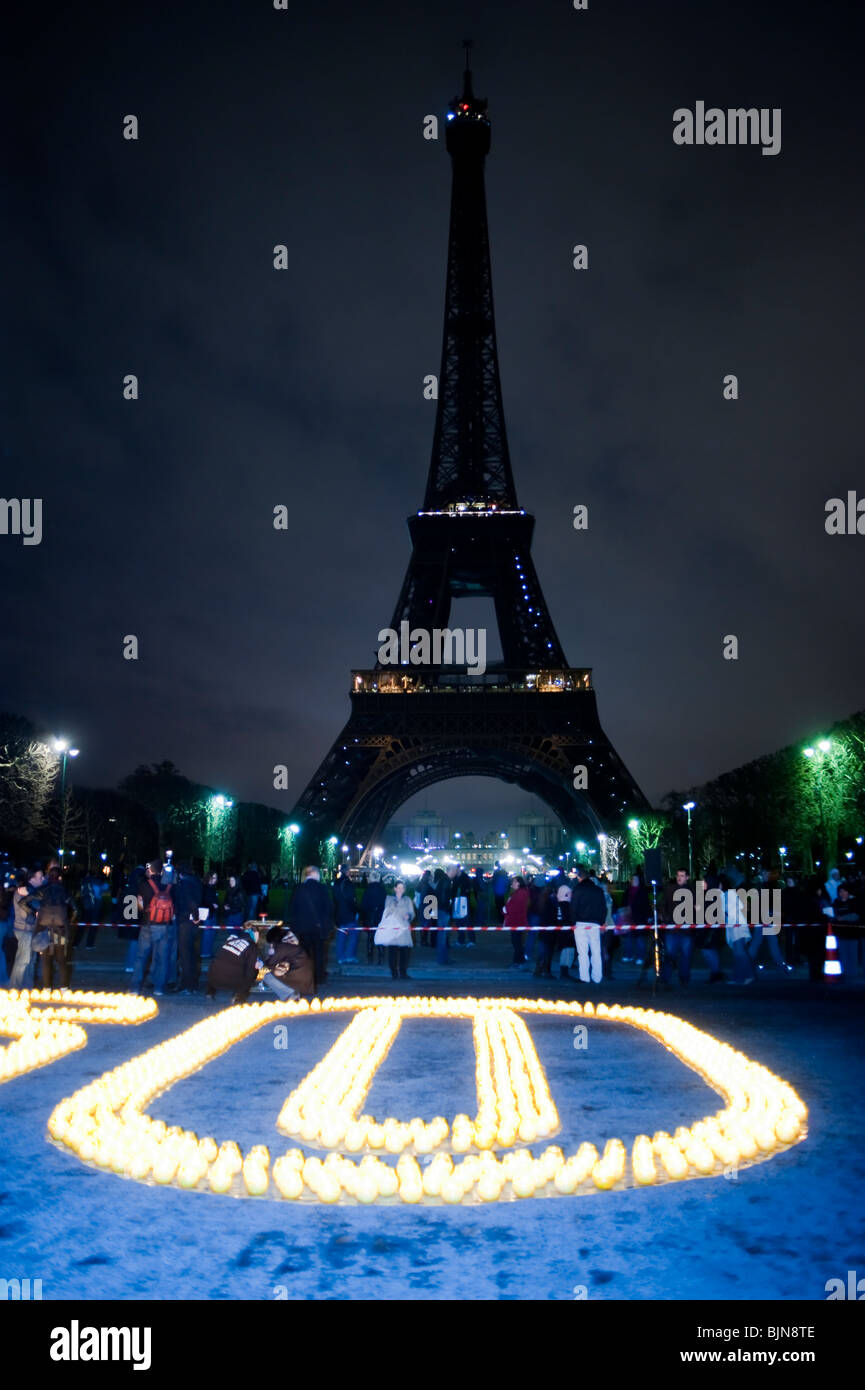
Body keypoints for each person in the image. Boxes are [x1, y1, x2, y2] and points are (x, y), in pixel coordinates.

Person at [130, 861, 174, 996]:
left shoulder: (144, 884)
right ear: (162, 871)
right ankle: (159, 988)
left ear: (151, 870)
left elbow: (139, 904)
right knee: (162, 958)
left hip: (148, 924)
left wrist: (146, 911)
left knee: (141, 957)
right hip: (165, 926)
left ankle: (135, 988)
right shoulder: (169, 885)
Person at [288, 866, 334, 990]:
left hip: (302, 928)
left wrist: (293, 927)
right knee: (319, 953)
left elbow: (292, 909)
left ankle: (305, 976)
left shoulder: (298, 889)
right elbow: (328, 908)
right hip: (318, 927)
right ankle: (319, 977)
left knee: (304, 954)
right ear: (314, 874)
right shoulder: (322, 888)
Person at [36, 866, 75, 990]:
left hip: (44, 930)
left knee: (46, 960)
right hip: (60, 929)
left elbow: (23, 902)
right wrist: (68, 921)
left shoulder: (42, 890)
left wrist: (35, 912)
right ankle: (63, 988)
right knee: (62, 960)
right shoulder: (64, 891)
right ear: (59, 877)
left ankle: (47, 988)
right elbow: (76, 910)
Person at [205, 923, 262, 1004]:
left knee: (219, 964)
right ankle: (239, 997)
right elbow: (250, 970)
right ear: (254, 934)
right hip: (231, 980)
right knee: (253, 969)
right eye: (258, 935)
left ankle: (210, 992)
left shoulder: (231, 938)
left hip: (213, 976)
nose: (258, 938)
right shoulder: (252, 946)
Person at [570, 864, 606, 985]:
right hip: (595, 924)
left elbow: (573, 907)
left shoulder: (578, 889)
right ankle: (597, 977)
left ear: (579, 877)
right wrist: (601, 922)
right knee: (596, 951)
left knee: (582, 952)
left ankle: (584, 977)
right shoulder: (598, 890)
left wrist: (573, 922)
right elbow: (603, 908)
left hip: (580, 923)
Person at [374, 880, 416, 981]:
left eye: (402, 888)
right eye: (399, 888)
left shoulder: (407, 900)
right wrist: (393, 906)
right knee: (392, 951)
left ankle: (403, 972)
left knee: (404, 952)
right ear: (395, 888)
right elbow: (387, 912)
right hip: (393, 928)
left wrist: (409, 916)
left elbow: (412, 913)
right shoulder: (389, 899)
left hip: (404, 929)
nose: (401, 890)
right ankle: (394, 972)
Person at [10, 867, 44, 990]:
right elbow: (24, 908)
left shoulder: (31, 890)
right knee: (23, 961)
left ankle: (26, 988)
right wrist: (36, 912)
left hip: (29, 929)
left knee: (30, 961)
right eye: (40, 877)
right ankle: (15, 989)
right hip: (25, 929)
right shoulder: (24, 890)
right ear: (32, 879)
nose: (43, 879)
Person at [662, 868, 696, 986]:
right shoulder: (670, 890)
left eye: (682, 875)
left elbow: (698, 909)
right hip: (672, 928)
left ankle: (684, 978)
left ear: (687, 877)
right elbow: (664, 905)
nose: (679, 878)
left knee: (686, 956)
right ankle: (665, 977)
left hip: (686, 930)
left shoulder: (692, 891)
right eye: (678, 875)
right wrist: (666, 919)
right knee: (670, 954)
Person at [174, 862, 204, 995]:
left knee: (185, 955)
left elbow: (190, 902)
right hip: (193, 923)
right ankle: (193, 984)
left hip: (186, 920)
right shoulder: (196, 882)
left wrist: (195, 915)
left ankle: (187, 985)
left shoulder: (184, 884)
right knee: (193, 953)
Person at [261, 925, 314, 999]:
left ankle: (290, 994)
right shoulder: (293, 938)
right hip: (306, 979)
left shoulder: (283, 946)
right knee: (278, 971)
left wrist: (271, 953)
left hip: (299, 978)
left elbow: (270, 964)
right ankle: (293, 993)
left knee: (268, 977)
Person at [536, 881, 571, 979]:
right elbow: (554, 916)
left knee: (543, 951)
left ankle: (539, 970)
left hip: (544, 929)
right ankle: (545, 971)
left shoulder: (544, 898)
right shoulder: (552, 901)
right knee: (548, 951)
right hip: (550, 930)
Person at [833, 882, 861, 979]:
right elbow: (834, 915)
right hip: (841, 933)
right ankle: (845, 973)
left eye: (844, 891)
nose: (842, 893)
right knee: (843, 954)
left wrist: (843, 918)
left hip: (853, 933)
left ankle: (853, 973)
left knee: (853, 954)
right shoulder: (836, 902)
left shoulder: (854, 902)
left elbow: (856, 915)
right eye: (840, 891)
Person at [333, 871, 359, 966]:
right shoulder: (348, 883)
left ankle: (340, 957)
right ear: (347, 872)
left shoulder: (336, 883)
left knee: (341, 936)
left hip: (339, 914)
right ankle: (350, 956)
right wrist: (355, 910)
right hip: (349, 914)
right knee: (353, 935)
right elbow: (351, 899)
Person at [503, 875, 530, 968]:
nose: (512, 883)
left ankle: (518, 961)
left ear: (518, 883)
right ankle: (519, 961)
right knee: (517, 942)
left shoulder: (520, 893)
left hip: (517, 920)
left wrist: (506, 909)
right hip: (516, 920)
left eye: (514, 881)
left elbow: (516, 907)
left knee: (517, 942)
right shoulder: (520, 892)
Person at [360, 874, 387, 964]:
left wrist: (363, 917)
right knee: (380, 936)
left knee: (370, 937)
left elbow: (364, 905)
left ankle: (370, 955)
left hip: (370, 916)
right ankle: (381, 954)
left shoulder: (368, 890)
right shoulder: (382, 890)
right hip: (380, 916)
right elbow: (385, 904)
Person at [74, 871, 103, 950]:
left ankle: (75, 943)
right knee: (93, 925)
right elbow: (100, 892)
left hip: (86, 905)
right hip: (95, 905)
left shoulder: (83, 882)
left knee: (82, 925)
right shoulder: (97, 881)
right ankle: (89, 944)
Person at [201, 871, 219, 959]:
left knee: (212, 932)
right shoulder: (205, 887)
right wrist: (212, 904)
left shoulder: (212, 887)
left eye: (216, 878)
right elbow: (204, 900)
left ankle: (208, 951)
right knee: (207, 933)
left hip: (212, 912)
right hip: (207, 913)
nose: (215, 880)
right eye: (213, 877)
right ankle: (205, 952)